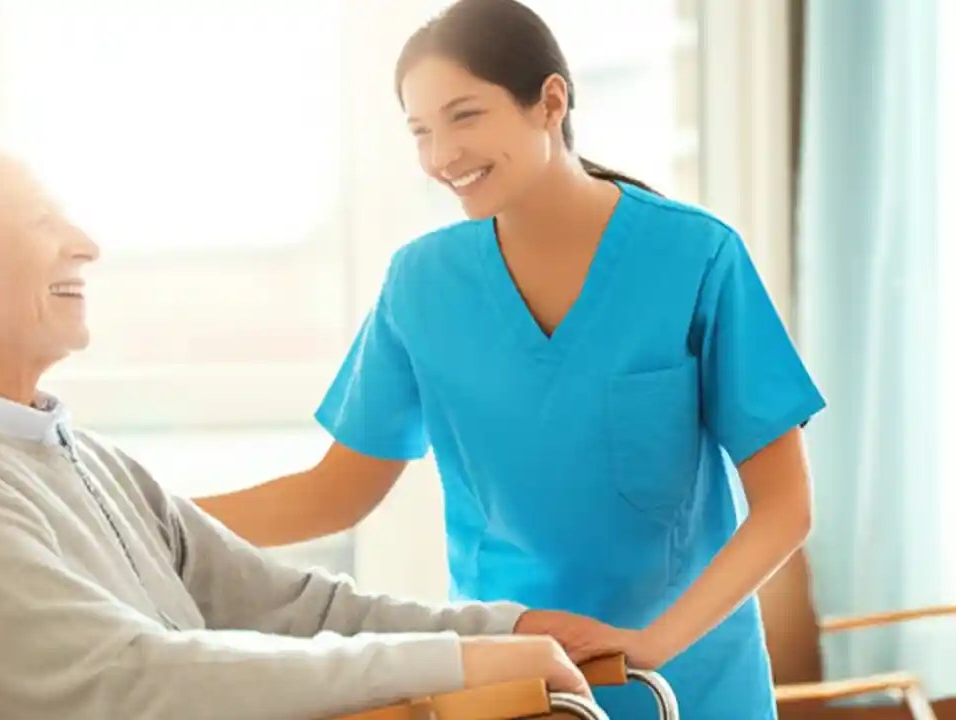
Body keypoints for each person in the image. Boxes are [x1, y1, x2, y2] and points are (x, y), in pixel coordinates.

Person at [194, 0, 826, 717]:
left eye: (465, 116)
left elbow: (785, 507)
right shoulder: (422, 284)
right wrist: (152, 522)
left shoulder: (695, 257)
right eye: (421, 131)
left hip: (690, 680)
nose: (442, 156)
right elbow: (335, 492)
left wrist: (651, 644)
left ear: (550, 102)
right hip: (518, 680)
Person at [0, 132, 591, 720]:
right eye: (41, 222)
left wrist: (507, 632)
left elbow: (291, 608)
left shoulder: (71, 453)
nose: (85, 245)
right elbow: (134, 682)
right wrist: (459, 665)